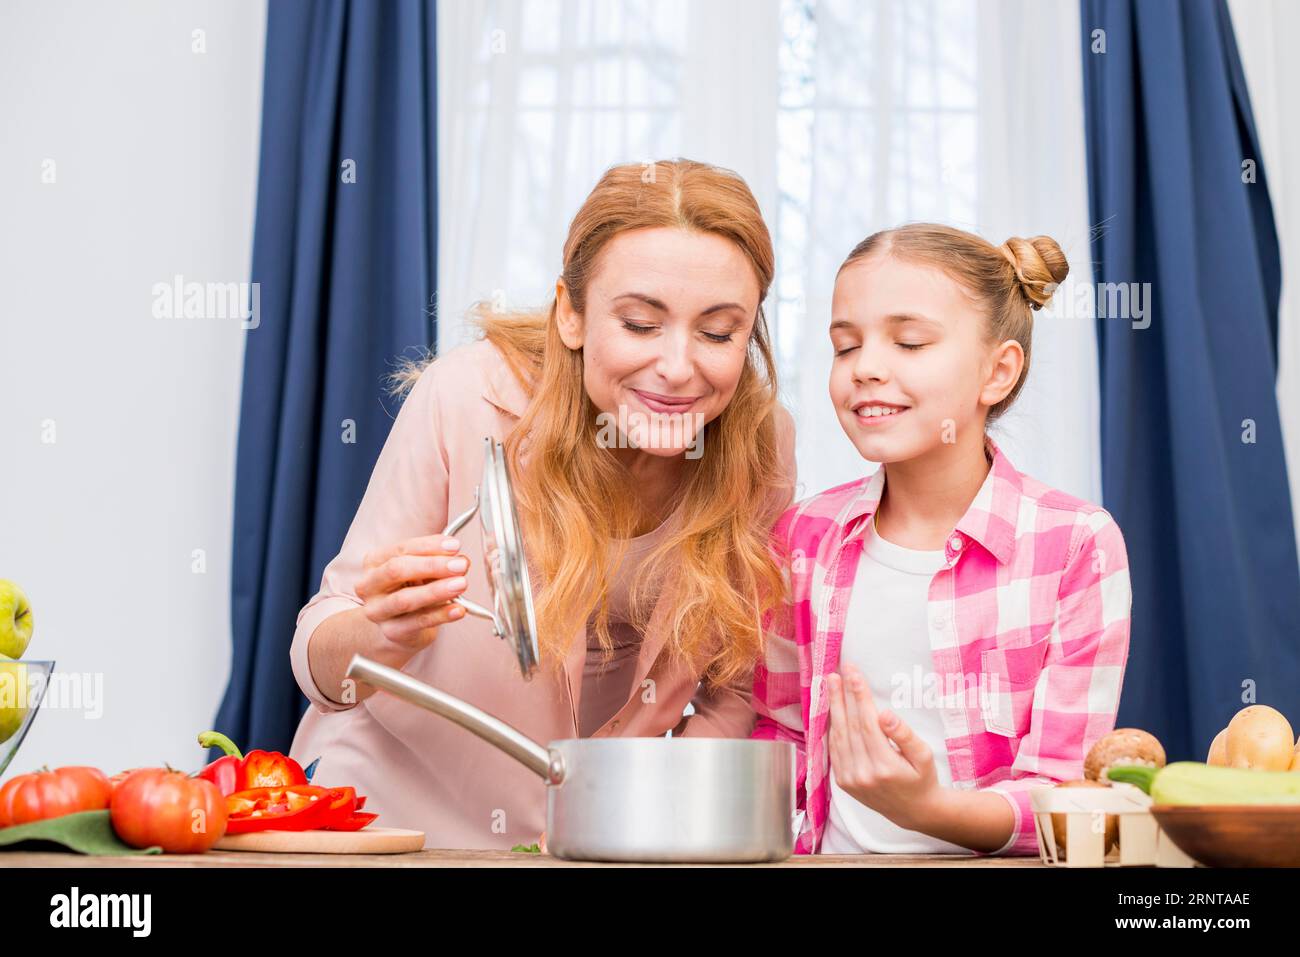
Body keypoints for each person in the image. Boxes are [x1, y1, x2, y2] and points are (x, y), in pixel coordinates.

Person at [288, 159, 796, 848]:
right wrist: (377, 634)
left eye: (716, 332)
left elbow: (733, 692)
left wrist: (645, 816)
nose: (679, 367)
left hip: (590, 840)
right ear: (572, 313)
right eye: (642, 323)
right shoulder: (466, 398)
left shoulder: (758, 447)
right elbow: (319, 652)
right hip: (386, 821)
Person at [752, 223, 1132, 855]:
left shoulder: (1075, 545)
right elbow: (778, 737)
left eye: (909, 342)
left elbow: (1065, 796)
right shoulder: (801, 537)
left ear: (997, 371)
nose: (866, 368)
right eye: (846, 347)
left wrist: (929, 809)